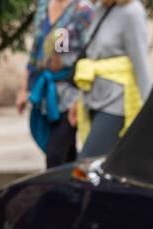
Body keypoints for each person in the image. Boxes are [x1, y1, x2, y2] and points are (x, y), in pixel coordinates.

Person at [19, 0, 98, 168]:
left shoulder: (83, 10)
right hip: (47, 93)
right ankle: (75, 192)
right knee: (66, 154)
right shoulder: (43, 6)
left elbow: (93, 54)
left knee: (55, 155)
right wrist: (24, 88)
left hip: (72, 93)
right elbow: (35, 51)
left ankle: (59, 192)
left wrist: (82, 98)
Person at [74, 0, 153, 159]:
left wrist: (151, 108)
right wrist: (77, 99)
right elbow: (92, 53)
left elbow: (141, 63)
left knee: (85, 165)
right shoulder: (102, 8)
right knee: (105, 166)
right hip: (93, 98)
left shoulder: (132, 12)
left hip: (117, 102)